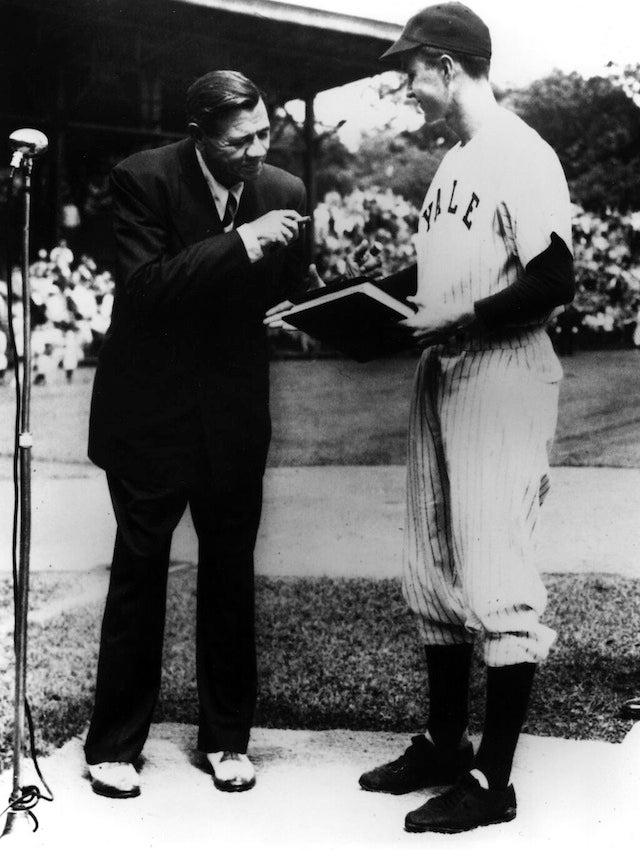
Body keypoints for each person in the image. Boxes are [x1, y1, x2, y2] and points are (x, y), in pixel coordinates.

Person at [358, 3, 575, 834]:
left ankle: (494, 783)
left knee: (497, 573)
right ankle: (445, 742)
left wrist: (455, 322)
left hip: (500, 372)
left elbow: (554, 279)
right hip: (442, 371)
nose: (405, 89)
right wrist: (351, 303)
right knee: (434, 563)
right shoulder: (455, 161)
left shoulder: (523, 153)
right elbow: (447, 265)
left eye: (410, 72)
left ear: (447, 65)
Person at [85, 69, 313, 799]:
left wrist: (304, 311)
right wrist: (241, 242)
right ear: (201, 134)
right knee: (139, 576)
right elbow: (145, 289)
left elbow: (290, 287)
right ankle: (115, 746)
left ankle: (227, 739)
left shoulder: (285, 191)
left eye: (264, 134)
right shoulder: (141, 179)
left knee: (229, 578)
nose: (256, 151)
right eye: (239, 140)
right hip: (150, 418)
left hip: (234, 418)